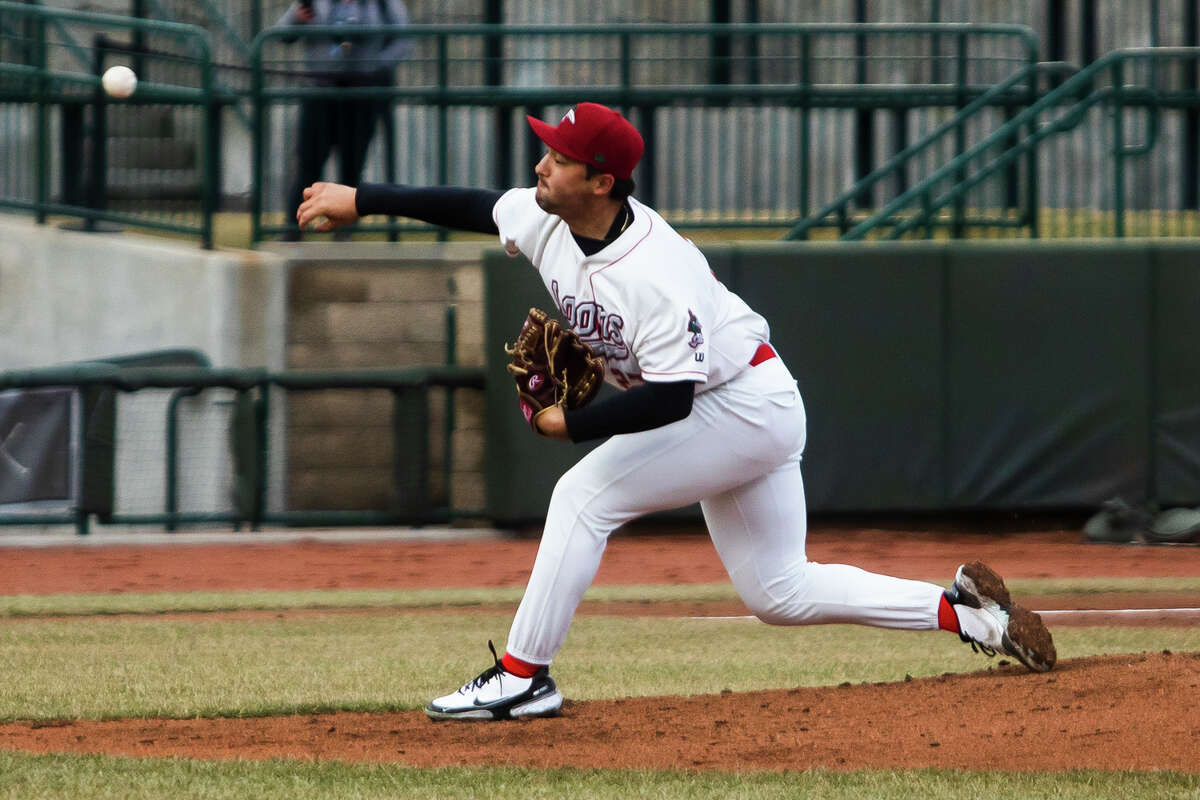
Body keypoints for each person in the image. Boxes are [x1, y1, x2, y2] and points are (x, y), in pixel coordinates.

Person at [296, 102, 1057, 721]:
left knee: (582, 496)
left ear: (601, 182)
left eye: (558, 158)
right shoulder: (545, 216)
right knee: (779, 594)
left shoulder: (655, 273)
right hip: (743, 401)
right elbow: (470, 205)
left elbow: (670, 398)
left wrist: (574, 424)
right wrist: (358, 200)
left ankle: (524, 676)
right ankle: (973, 617)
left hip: (742, 405)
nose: (540, 166)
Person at [276, 0, 411, 241]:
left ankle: (344, 229)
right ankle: (293, 227)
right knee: (309, 163)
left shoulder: (383, 5)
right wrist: (297, 19)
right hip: (319, 90)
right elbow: (281, 34)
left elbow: (403, 40)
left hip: (361, 93)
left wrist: (374, 67)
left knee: (352, 163)